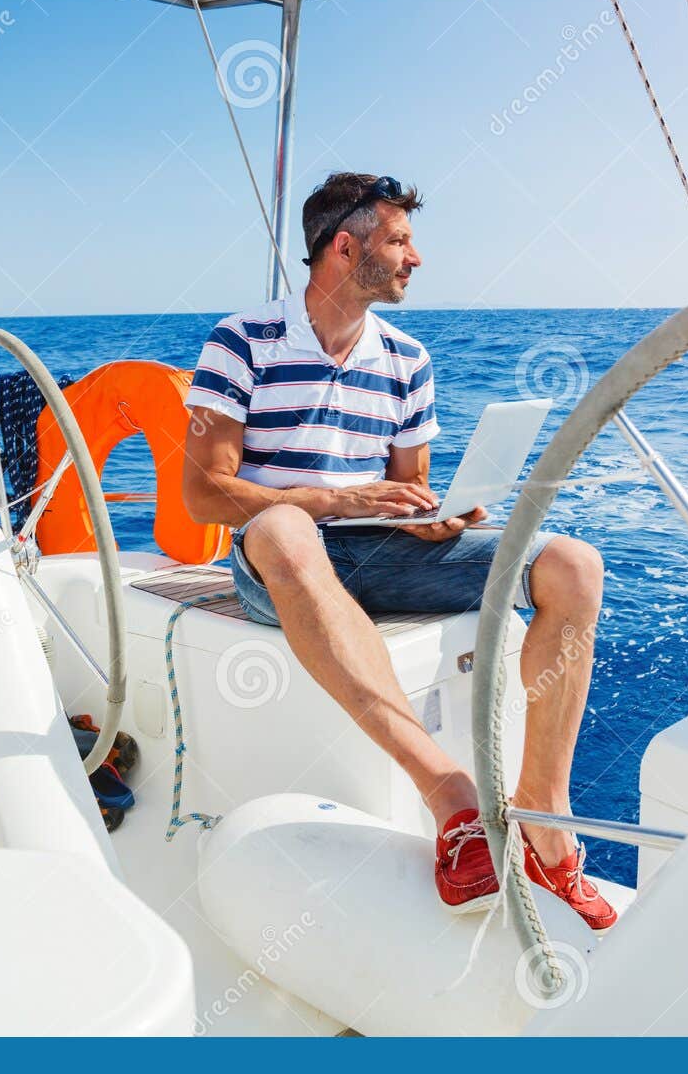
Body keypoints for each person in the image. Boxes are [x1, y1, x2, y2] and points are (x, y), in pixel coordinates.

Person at [180, 172, 614, 930]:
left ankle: (545, 819)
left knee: (572, 564)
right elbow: (205, 493)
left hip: (375, 553)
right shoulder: (240, 341)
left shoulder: (407, 358)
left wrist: (435, 518)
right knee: (285, 528)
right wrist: (332, 501)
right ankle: (451, 798)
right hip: (274, 560)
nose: (417, 258)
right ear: (345, 248)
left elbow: (407, 486)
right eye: (400, 240)